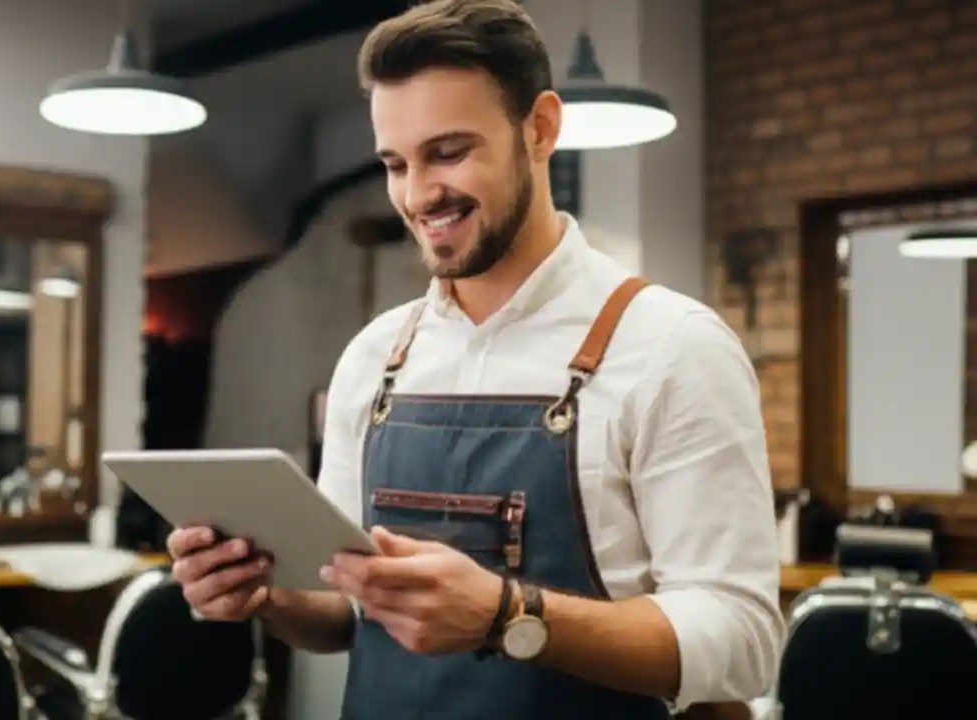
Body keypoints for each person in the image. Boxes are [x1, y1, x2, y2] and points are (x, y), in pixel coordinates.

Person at [167, 1, 784, 717]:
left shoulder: (672, 346)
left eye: (449, 152)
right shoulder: (375, 359)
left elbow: (742, 640)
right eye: (396, 163)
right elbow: (340, 607)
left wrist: (506, 615)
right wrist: (267, 593)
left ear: (541, 129)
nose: (418, 194)